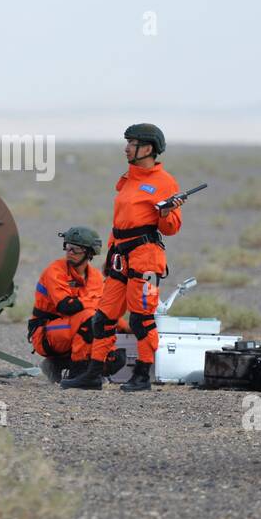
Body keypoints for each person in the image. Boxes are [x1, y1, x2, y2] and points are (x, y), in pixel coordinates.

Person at [63, 123, 185, 392]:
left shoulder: (165, 182)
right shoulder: (129, 179)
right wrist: (110, 253)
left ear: (148, 148)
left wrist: (165, 214)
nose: (126, 147)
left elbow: (172, 228)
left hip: (145, 258)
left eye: (132, 143)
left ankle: (141, 376)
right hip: (120, 256)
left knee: (140, 319)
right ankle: (94, 373)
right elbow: (120, 222)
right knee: (103, 317)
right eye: (127, 142)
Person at [28, 227, 104, 388]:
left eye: (75, 249)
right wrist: (92, 302)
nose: (69, 252)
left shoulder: (96, 276)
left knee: (115, 358)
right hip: (45, 331)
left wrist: (126, 328)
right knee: (90, 318)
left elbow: (103, 309)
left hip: (73, 327)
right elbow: (66, 307)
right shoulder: (55, 271)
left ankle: (57, 364)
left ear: (90, 253)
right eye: (67, 247)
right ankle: (78, 373)